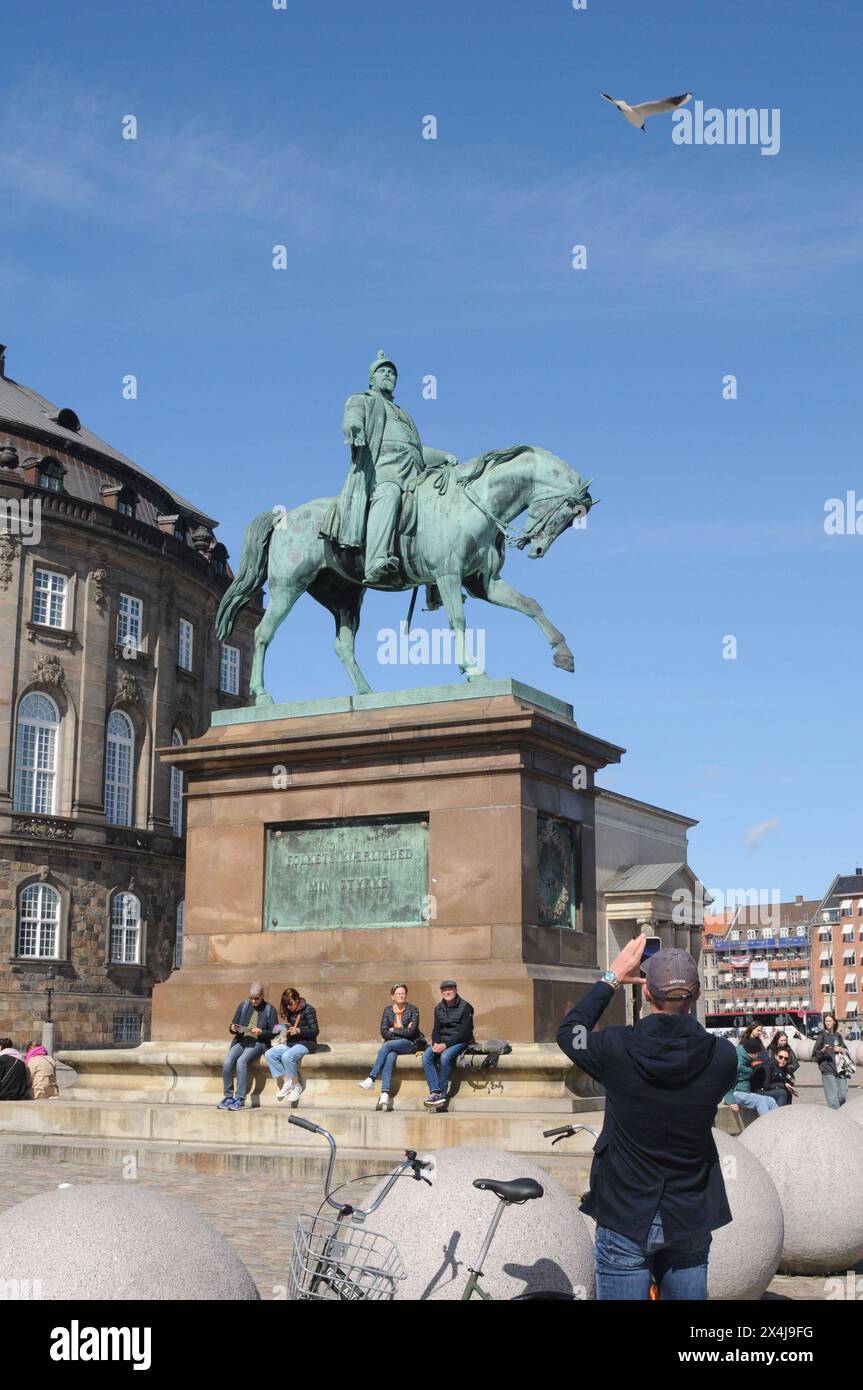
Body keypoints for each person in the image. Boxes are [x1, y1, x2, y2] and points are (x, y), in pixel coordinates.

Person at [556, 940, 738, 1301]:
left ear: (646, 994)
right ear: (697, 994)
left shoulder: (616, 1047)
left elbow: (569, 1033)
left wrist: (611, 977)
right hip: (689, 1209)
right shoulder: (722, 1056)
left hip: (626, 1208)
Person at [319, 351, 456, 583]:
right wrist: (355, 428)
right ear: (371, 378)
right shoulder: (362, 399)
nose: (389, 376)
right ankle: (374, 561)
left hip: (412, 474)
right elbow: (351, 419)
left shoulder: (403, 414)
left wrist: (444, 456)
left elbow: (417, 450)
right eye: (383, 371)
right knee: (389, 492)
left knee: (438, 505)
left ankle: (435, 582)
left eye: (392, 373)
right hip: (381, 470)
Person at [358, 984, 420, 1110]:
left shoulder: (414, 1010)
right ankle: (385, 1093)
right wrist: (402, 1031)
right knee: (390, 1057)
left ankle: (371, 1078)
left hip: (409, 1044)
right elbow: (384, 1032)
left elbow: (411, 1033)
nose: (401, 995)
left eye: (403, 993)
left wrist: (394, 1030)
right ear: (392, 996)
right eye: (398, 993)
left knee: (387, 1045)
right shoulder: (387, 1010)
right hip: (394, 1045)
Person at [219, 982, 278, 1111]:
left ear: (263, 996)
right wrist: (233, 1028)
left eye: (256, 998)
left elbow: (275, 1031)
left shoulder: (270, 1009)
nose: (253, 1000)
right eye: (251, 997)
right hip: (241, 1040)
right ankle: (228, 1097)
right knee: (228, 1062)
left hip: (258, 1043)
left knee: (241, 1061)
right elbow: (233, 1025)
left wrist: (261, 1032)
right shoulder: (243, 1006)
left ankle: (240, 1099)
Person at [422, 980, 474, 1109]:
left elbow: (465, 1032)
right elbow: (436, 1030)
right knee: (426, 1056)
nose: (447, 992)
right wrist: (435, 1044)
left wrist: (446, 1045)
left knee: (445, 1057)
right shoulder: (438, 1008)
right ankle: (435, 1091)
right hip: (442, 1041)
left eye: (450, 989)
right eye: (444, 990)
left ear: (456, 990)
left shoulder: (466, 1007)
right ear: (441, 992)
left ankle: (442, 1093)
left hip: (460, 1041)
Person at [264, 988, 319, 1104]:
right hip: (293, 1042)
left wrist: (299, 1030)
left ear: (297, 999)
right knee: (270, 1054)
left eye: (290, 1004)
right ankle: (287, 1081)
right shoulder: (290, 1011)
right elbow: (290, 1028)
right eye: (286, 1005)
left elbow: (315, 1031)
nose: (288, 1007)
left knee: (287, 1056)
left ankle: (296, 1085)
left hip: (307, 1043)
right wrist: (286, 1030)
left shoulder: (309, 1009)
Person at [725, 1036, 779, 1117]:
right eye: (758, 1053)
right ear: (753, 1053)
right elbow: (727, 1081)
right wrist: (731, 1101)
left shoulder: (746, 1059)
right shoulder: (738, 1063)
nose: (759, 1055)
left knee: (770, 1101)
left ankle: (779, 1123)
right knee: (759, 1100)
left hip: (744, 1092)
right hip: (735, 1093)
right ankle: (767, 1125)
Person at [813, 1012, 853, 1109]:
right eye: (826, 1021)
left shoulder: (837, 1035)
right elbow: (814, 1054)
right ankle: (837, 1118)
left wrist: (840, 1049)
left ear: (834, 1022)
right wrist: (823, 1050)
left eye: (830, 1021)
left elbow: (845, 1050)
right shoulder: (821, 1035)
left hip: (840, 1069)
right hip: (827, 1069)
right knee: (833, 1098)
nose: (828, 1023)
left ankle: (840, 1113)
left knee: (842, 1095)